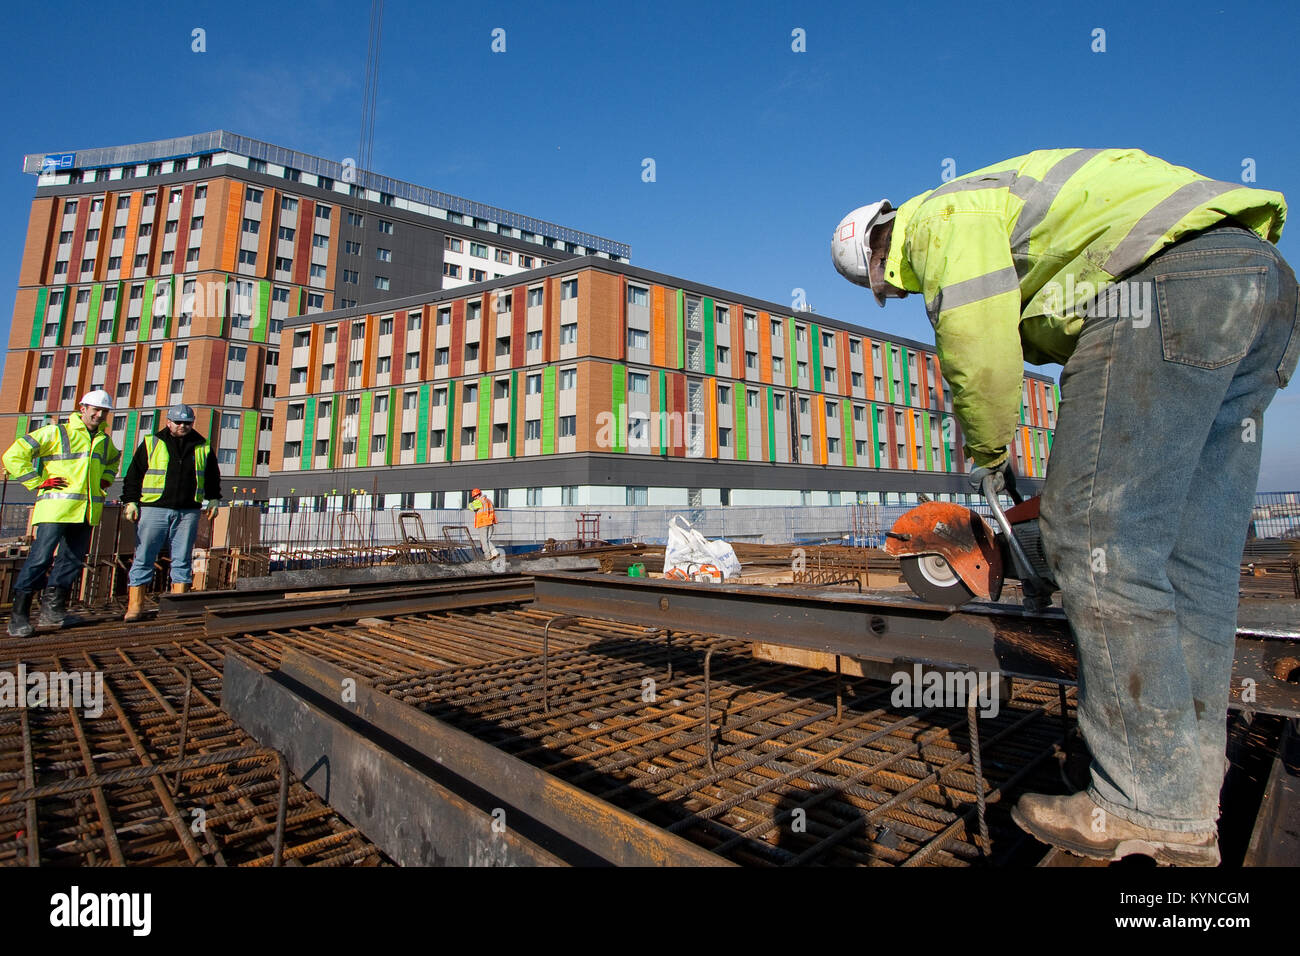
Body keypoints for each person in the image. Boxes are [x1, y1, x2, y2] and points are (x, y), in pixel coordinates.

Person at [832, 148, 1297, 866]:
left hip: (1161, 291)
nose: (895, 298)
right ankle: (1188, 786)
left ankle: (1145, 801)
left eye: (887, 290)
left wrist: (988, 454)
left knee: (1096, 536)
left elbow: (976, 342)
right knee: (1190, 557)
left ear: (876, 261)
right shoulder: (991, 195)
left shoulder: (939, 219)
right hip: (1258, 285)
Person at [2, 389, 121, 637]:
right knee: (39, 560)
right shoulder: (56, 432)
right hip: (56, 510)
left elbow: (113, 460)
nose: (99, 415)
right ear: (82, 409)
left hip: (86, 511)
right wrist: (35, 482)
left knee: (70, 561)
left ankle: (53, 612)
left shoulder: (103, 440)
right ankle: (18, 617)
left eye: (104, 411)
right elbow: (13, 455)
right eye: (95, 410)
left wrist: (107, 478)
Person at [119, 404, 221, 620]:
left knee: (182, 558)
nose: (183, 426)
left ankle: (178, 606)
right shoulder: (152, 443)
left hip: (188, 510)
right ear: (168, 422)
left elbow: (212, 475)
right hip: (154, 508)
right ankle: (135, 605)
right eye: (178, 422)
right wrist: (131, 501)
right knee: (144, 556)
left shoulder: (202, 445)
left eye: (187, 423)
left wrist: (214, 498)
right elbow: (134, 475)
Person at [468, 488, 501, 560]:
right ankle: (495, 552)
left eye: (475, 496)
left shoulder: (479, 501)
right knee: (487, 539)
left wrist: (471, 503)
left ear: (478, 495)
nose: (475, 498)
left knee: (483, 541)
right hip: (490, 522)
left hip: (483, 523)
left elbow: (470, 507)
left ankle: (488, 556)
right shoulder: (488, 500)